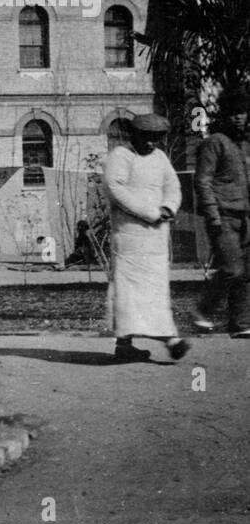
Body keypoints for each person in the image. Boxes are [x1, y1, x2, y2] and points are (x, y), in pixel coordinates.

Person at [102, 114, 190, 361]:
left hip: (156, 238)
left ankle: (125, 345)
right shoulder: (120, 156)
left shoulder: (161, 158)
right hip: (130, 235)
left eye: (156, 139)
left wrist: (168, 208)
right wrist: (151, 213)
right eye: (146, 138)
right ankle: (168, 339)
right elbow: (116, 189)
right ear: (133, 135)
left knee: (155, 289)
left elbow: (173, 186)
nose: (151, 144)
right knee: (128, 291)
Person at [194, 87, 250, 337]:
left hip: (245, 217)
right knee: (231, 269)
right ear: (224, 116)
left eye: (243, 113)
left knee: (245, 273)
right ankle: (201, 312)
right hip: (223, 216)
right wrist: (212, 215)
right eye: (234, 113)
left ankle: (239, 324)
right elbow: (202, 181)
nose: (239, 118)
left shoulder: (244, 146)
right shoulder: (214, 142)